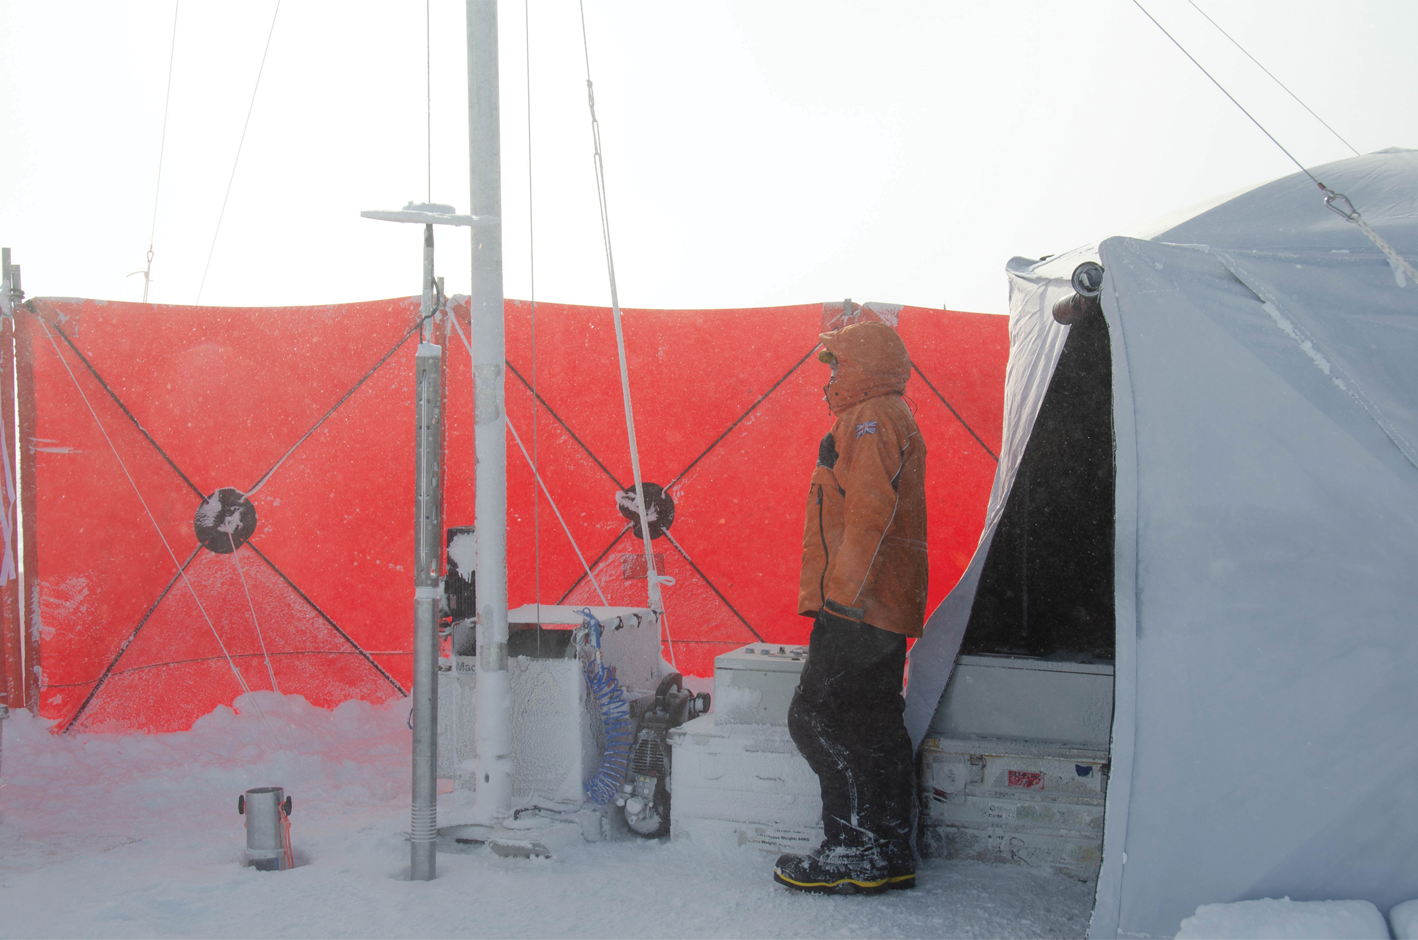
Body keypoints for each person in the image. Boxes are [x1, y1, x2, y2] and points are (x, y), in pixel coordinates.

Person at [773, 319, 928, 895]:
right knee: (874, 724)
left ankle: (851, 847)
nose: (831, 375)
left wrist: (842, 599)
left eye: (838, 364)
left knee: (815, 717)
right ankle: (887, 848)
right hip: (883, 603)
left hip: (859, 605)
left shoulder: (871, 418)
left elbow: (868, 514)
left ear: (862, 366)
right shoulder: (884, 414)